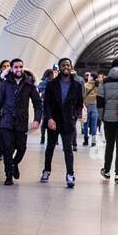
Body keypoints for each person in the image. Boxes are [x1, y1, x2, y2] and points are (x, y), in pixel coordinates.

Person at [0, 59, 42, 185]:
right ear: (11, 69)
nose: (19, 69)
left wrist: (37, 119)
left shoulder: (29, 85)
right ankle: (8, 175)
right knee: (8, 149)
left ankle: (14, 164)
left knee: (22, 148)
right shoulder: (5, 85)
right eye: (16, 67)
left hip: (21, 123)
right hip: (6, 122)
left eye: (21, 67)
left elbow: (37, 104)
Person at [41, 57, 83, 188]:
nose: (66, 67)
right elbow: (46, 104)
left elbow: (79, 105)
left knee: (68, 149)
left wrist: (74, 117)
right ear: (59, 68)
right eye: (64, 65)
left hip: (68, 122)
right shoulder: (51, 84)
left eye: (68, 65)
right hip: (54, 121)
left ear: (71, 68)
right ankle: (46, 171)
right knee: (50, 148)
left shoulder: (77, 85)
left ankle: (70, 174)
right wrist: (49, 118)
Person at [81, 72, 100, 146]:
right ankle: (93, 141)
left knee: (85, 124)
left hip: (86, 106)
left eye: (89, 76)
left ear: (91, 77)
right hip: (95, 106)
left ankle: (86, 140)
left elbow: (82, 95)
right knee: (94, 124)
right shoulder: (98, 86)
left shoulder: (85, 85)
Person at [38, 68, 54, 144]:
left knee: (44, 122)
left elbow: (39, 93)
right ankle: (52, 139)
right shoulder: (53, 83)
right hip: (52, 105)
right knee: (52, 120)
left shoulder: (41, 84)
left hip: (43, 104)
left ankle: (42, 138)